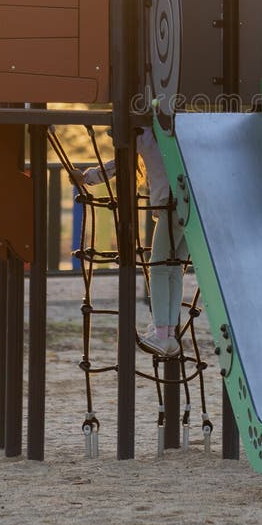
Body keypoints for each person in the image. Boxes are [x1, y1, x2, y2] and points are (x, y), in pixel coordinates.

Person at [71, 127, 188, 358]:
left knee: (158, 267)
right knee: (174, 269)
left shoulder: (144, 132)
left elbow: (119, 163)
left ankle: (162, 334)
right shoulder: (178, 128)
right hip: (193, 204)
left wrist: (86, 178)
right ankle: (169, 333)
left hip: (171, 204)